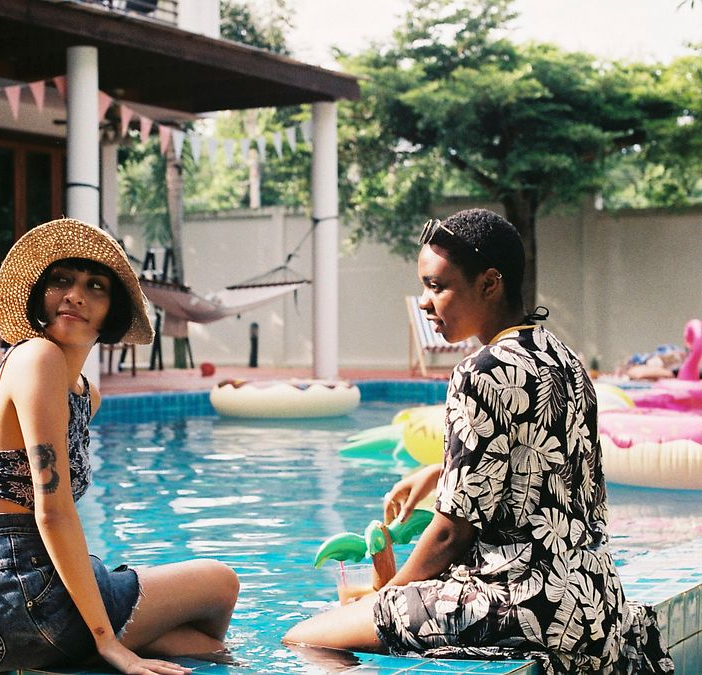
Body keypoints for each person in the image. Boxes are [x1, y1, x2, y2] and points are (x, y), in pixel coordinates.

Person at [283, 209, 673, 674]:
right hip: (594, 599)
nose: (426, 302)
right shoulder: (565, 360)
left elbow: (451, 533)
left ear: (490, 283)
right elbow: (543, 469)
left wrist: (387, 597)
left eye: (437, 286)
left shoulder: (481, 371)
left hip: (525, 605)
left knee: (305, 639)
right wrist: (439, 473)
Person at [0, 218, 239, 674]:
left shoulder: (82, 393)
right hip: (15, 596)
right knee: (220, 583)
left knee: (199, 645)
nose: (74, 295)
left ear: (112, 312)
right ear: (41, 294)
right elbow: (52, 511)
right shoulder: (38, 357)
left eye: (95, 286)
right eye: (61, 281)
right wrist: (109, 644)